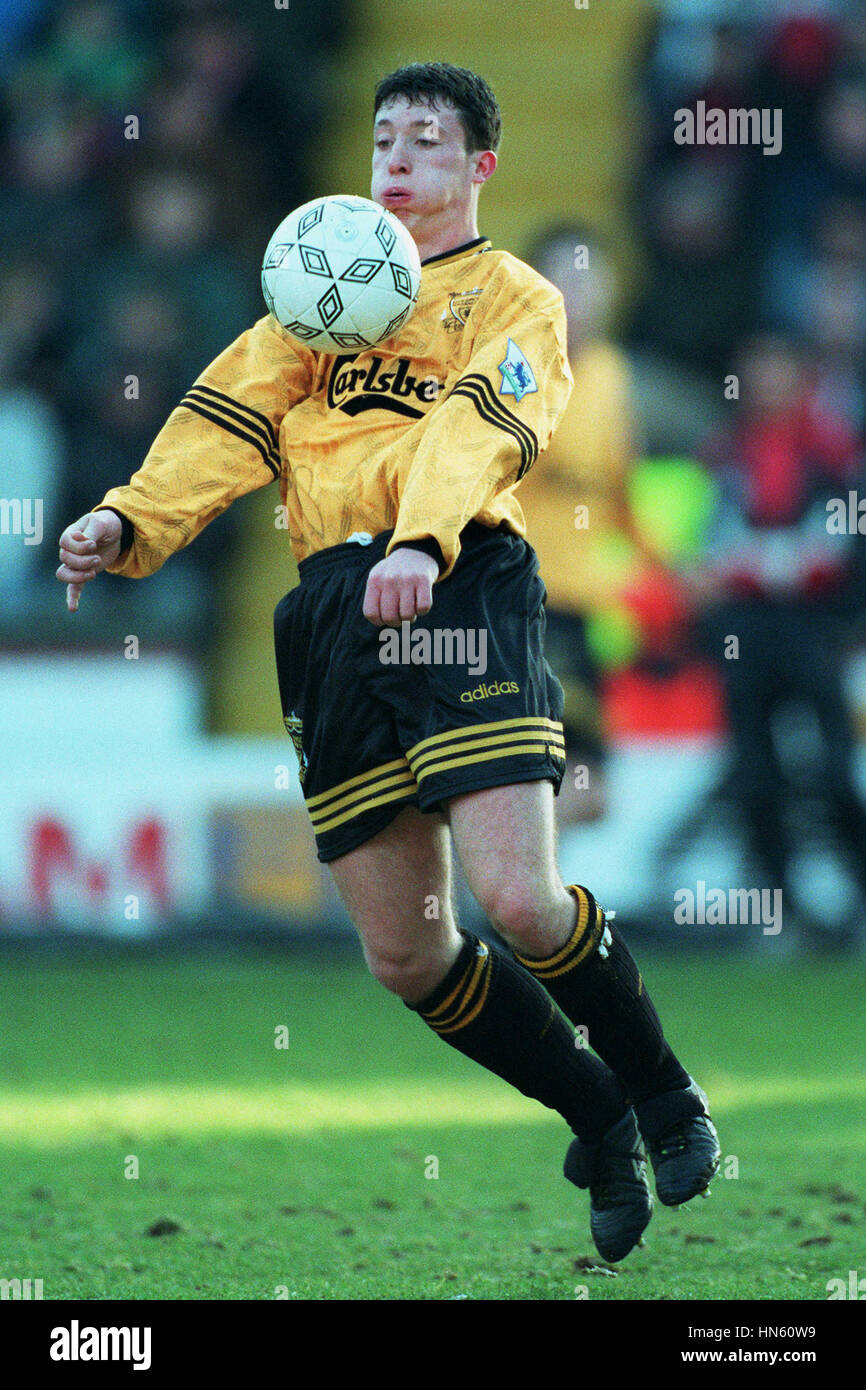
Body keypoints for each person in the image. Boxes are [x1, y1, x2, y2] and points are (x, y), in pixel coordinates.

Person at [56, 61, 719, 1264]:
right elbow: (220, 415)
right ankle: (594, 1110)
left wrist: (418, 536)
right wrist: (128, 520)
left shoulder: (507, 296)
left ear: (480, 166)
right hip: (328, 612)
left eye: (425, 139)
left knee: (517, 899)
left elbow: (481, 423)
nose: (398, 160)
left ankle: (666, 1091)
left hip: (458, 575)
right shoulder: (312, 297)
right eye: (382, 141)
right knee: (404, 951)